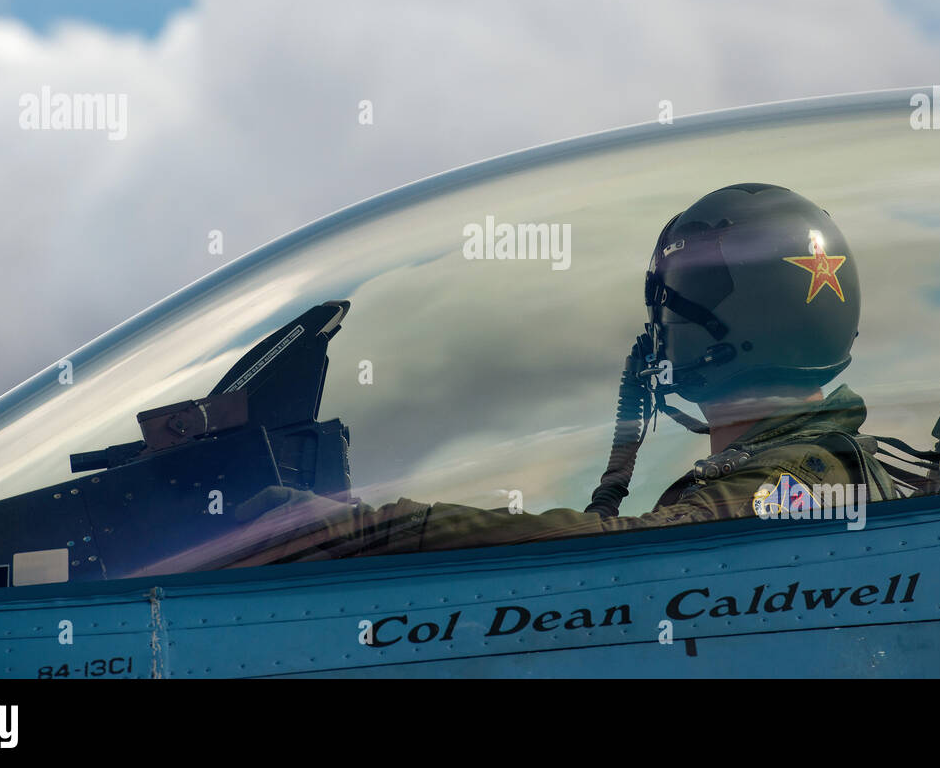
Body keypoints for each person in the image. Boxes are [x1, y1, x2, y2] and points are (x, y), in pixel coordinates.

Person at [234, 184, 900, 565]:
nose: (656, 330)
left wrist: (375, 529)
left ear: (741, 320)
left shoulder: (804, 481)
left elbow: (646, 553)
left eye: (675, 302)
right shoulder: (801, 466)